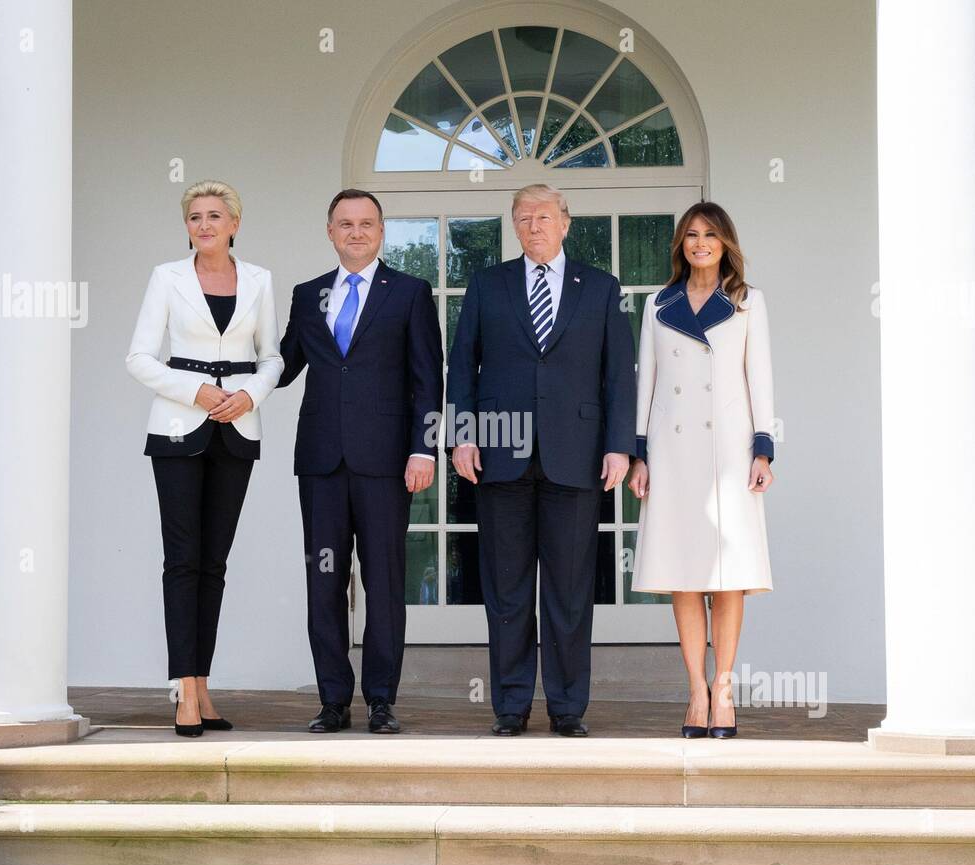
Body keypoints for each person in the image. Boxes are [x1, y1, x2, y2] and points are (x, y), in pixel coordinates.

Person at [448, 183, 636, 737]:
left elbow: (617, 374)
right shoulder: (488, 284)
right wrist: (461, 435)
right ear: (514, 225)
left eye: (544, 216)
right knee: (506, 589)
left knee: (570, 591)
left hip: (576, 458)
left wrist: (619, 444)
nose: (534, 225)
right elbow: (462, 364)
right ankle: (509, 706)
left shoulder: (600, 289)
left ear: (565, 223)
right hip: (499, 456)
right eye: (524, 217)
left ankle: (567, 707)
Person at [278, 188, 443, 734]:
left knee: (384, 583)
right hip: (322, 464)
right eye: (345, 223)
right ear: (329, 231)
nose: (356, 232)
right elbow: (280, 368)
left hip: (385, 465)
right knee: (323, 582)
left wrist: (424, 447)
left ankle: (380, 700)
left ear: (381, 231)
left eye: (366, 223)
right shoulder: (307, 296)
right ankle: (331, 700)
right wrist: (221, 366)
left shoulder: (411, 294)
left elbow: (428, 381)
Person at [125, 179, 283, 737]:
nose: (205, 225)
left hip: (237, 428)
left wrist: (250, 395)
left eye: (215, 216)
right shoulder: (167, 278)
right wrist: (195, 392)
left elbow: (272, 357)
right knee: (183, 560)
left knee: (214, 563)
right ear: (187, 225)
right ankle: (183, 691)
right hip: (176, 429)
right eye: (195, 217)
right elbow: (139, 359)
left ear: (235, 224)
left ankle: (203, 687)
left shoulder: (260, 280)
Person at [627, 201, 776, 739]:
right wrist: (639, 452)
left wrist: (764, 447)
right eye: (691, 235)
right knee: (685, 576)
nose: (700, 243)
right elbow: (646, 380)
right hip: (672, 450)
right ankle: (696, 688)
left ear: (726, 242)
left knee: (728, 576)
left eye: (710, 235)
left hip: (730, 452)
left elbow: (758, 377)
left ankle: (726, 687)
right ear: (681, 245)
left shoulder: (747, 302)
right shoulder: (657, 305)